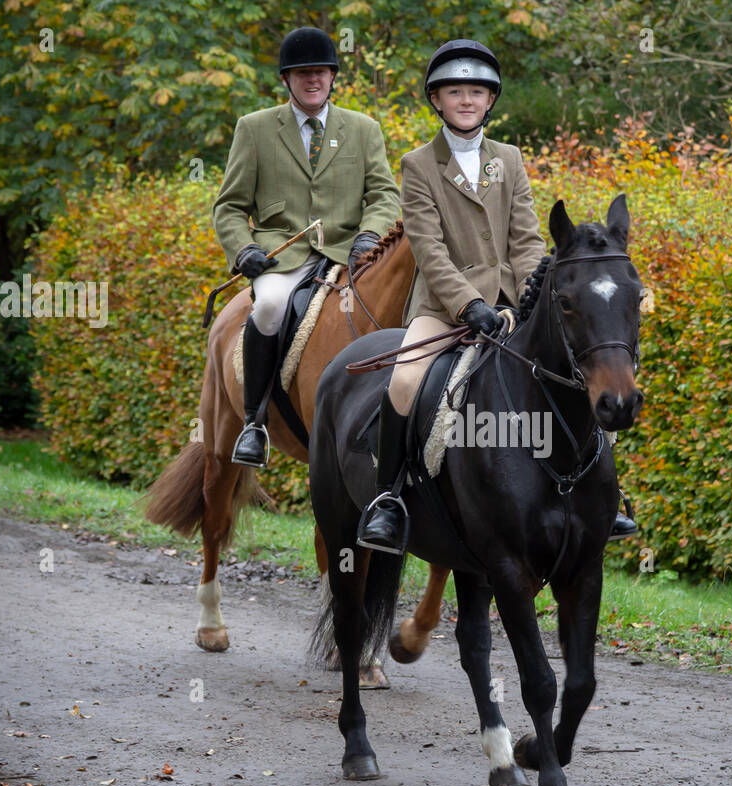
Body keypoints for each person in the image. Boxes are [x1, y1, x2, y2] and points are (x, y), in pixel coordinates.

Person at [356, 39, 637, 554]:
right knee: (405, 379)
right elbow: (429, 248)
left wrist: (533, 295)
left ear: (491, 101)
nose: (466, 100)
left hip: (513, 307)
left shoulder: (508, 159)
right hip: (444, 310)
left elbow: (528, 237)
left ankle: (610, 498)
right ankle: (388, 499)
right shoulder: (418, 164)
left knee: (581, 372)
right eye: (455, 91)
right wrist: (469, 306)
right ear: (436, 100)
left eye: (477, 92)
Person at [213, 26, 399, 467]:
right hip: (285, 253)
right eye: (302, 74)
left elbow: (385, 195)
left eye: (320, 72)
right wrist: (243, 251)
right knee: (270, 307)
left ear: (333, 76)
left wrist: (370, 234)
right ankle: (255, 423)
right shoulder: (254, 129)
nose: (312, 80)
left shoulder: (363, 128)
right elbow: (230, 206)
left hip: (350, 252)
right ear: (286, 80)